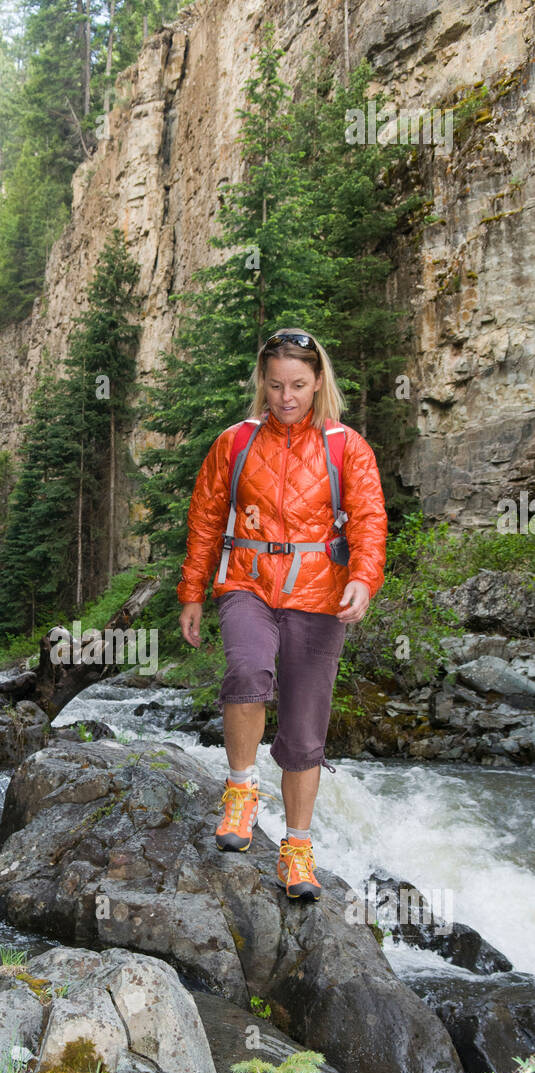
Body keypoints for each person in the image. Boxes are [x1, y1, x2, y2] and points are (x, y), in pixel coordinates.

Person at [177, 328, 387, 901]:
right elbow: (205, 518)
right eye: (275, 385)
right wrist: (192, 591)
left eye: (297, 384)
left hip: (321, 597)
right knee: (247, 671)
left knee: (303, 726)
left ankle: (296, 847)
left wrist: (364, 578)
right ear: (261, 384)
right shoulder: (235, 442)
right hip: (246, 581)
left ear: (318, 382)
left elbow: (369, 521)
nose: (286, 396)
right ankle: (242, 791)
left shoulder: (348, 447)